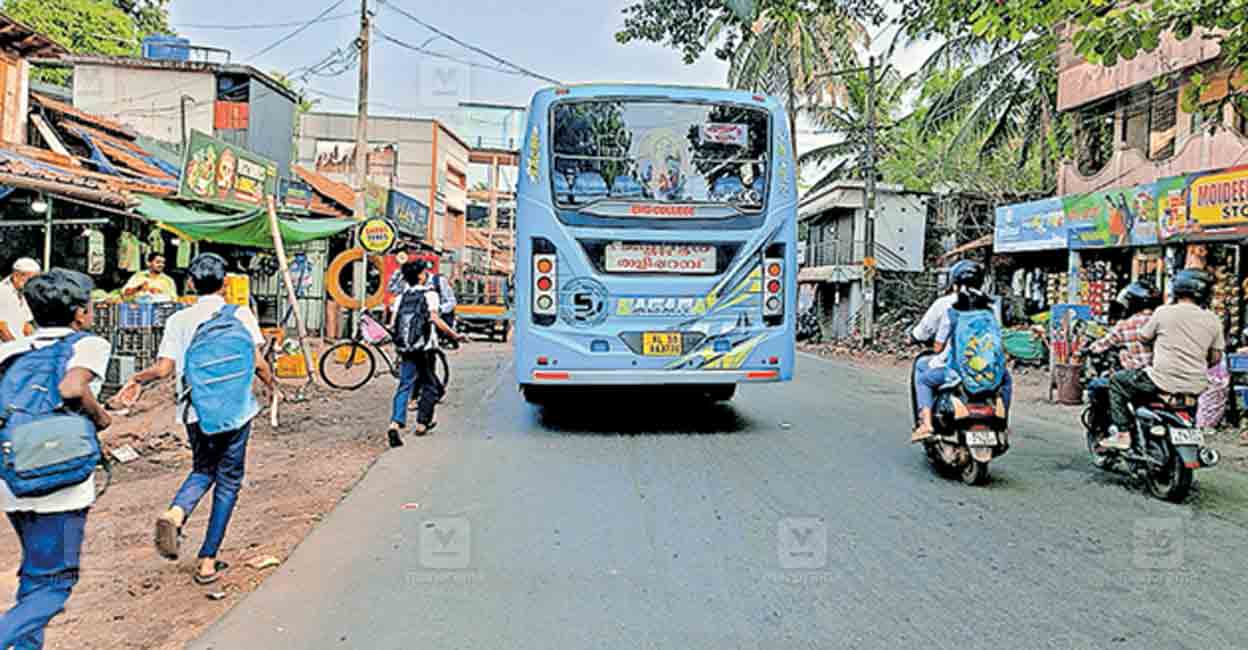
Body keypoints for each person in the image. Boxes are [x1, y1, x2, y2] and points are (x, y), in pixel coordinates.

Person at [120, 253, 275, 585]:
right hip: (236, 411)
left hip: (195, 411)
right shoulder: (241, 314)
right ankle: (207, 559)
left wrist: (136, 380)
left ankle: (176, 512)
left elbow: (164, 369)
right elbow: (259, 362)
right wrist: (273, 386)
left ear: (190, 283)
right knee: (229, 480)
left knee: (203, 469)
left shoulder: (180, 319)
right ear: (225, 284)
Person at [0, 269, 112, 649]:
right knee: (56, 585)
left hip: (15, 479)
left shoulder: (9, 351)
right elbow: (71, 387)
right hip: (63, 483)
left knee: (35, 576)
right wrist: (101, 418)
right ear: (80, 314)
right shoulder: (88, 344)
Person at [1104, 269, 1225, 450]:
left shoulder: (1163, 312)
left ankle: (1123, 434)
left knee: (1117, 381)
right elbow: (1215, 358)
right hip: (1196, 386)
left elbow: (1144, 337)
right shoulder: (1213, 319)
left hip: (1161, 381)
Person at [911, 259, 1013, 443]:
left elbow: (936, 345)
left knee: (923, 376)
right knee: (1006, 379)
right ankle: (1003, 421)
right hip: (989, 371)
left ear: (955, 282)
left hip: (957, 372)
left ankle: (926, 423)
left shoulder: (948, 306)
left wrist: (918, 338)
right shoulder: (990, 307)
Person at [386, 259, 463, 448]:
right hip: (426, 348)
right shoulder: (430, 296)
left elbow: (392, 324)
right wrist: (454, 335)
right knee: (429, 385)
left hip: (406, 348)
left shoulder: (399, 298)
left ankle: (395, 423)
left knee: (405, 385)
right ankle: (422, 423)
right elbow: (435, 320)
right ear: (421, 276)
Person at [1089, 282, 1161, 372]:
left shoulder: (1125, 325)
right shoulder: (1162, 321)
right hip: (1160, 376)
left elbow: (1100, 346)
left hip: (1136, 377)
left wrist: (1088, 349)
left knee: (1094, 385)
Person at [0, 258, 40, 342]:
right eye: (31, 279)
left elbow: (26, 325)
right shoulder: (3, 292)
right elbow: (2, 329)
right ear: (16, 276)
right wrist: (14, 347)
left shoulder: (20, 292)